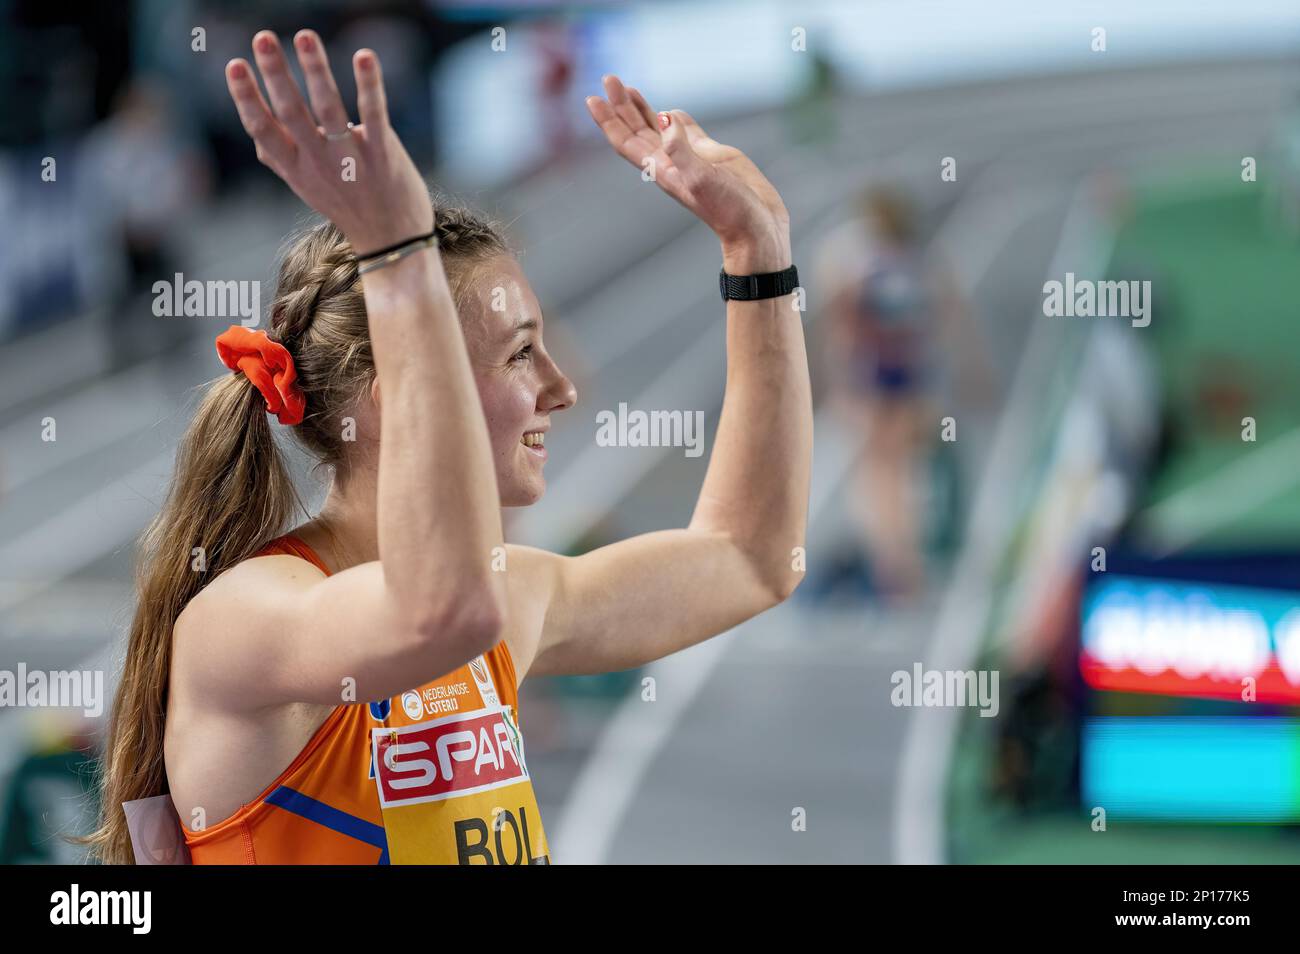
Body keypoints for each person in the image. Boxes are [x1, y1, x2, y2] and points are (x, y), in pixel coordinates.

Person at [87, 29, 811, 864]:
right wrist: (397, 254)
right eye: (520, 353)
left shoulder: (502, 602)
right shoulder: (247, 620)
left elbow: (755, 557)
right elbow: (441, 611)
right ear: (398, 399)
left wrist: (759, 252)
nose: (562, 389)